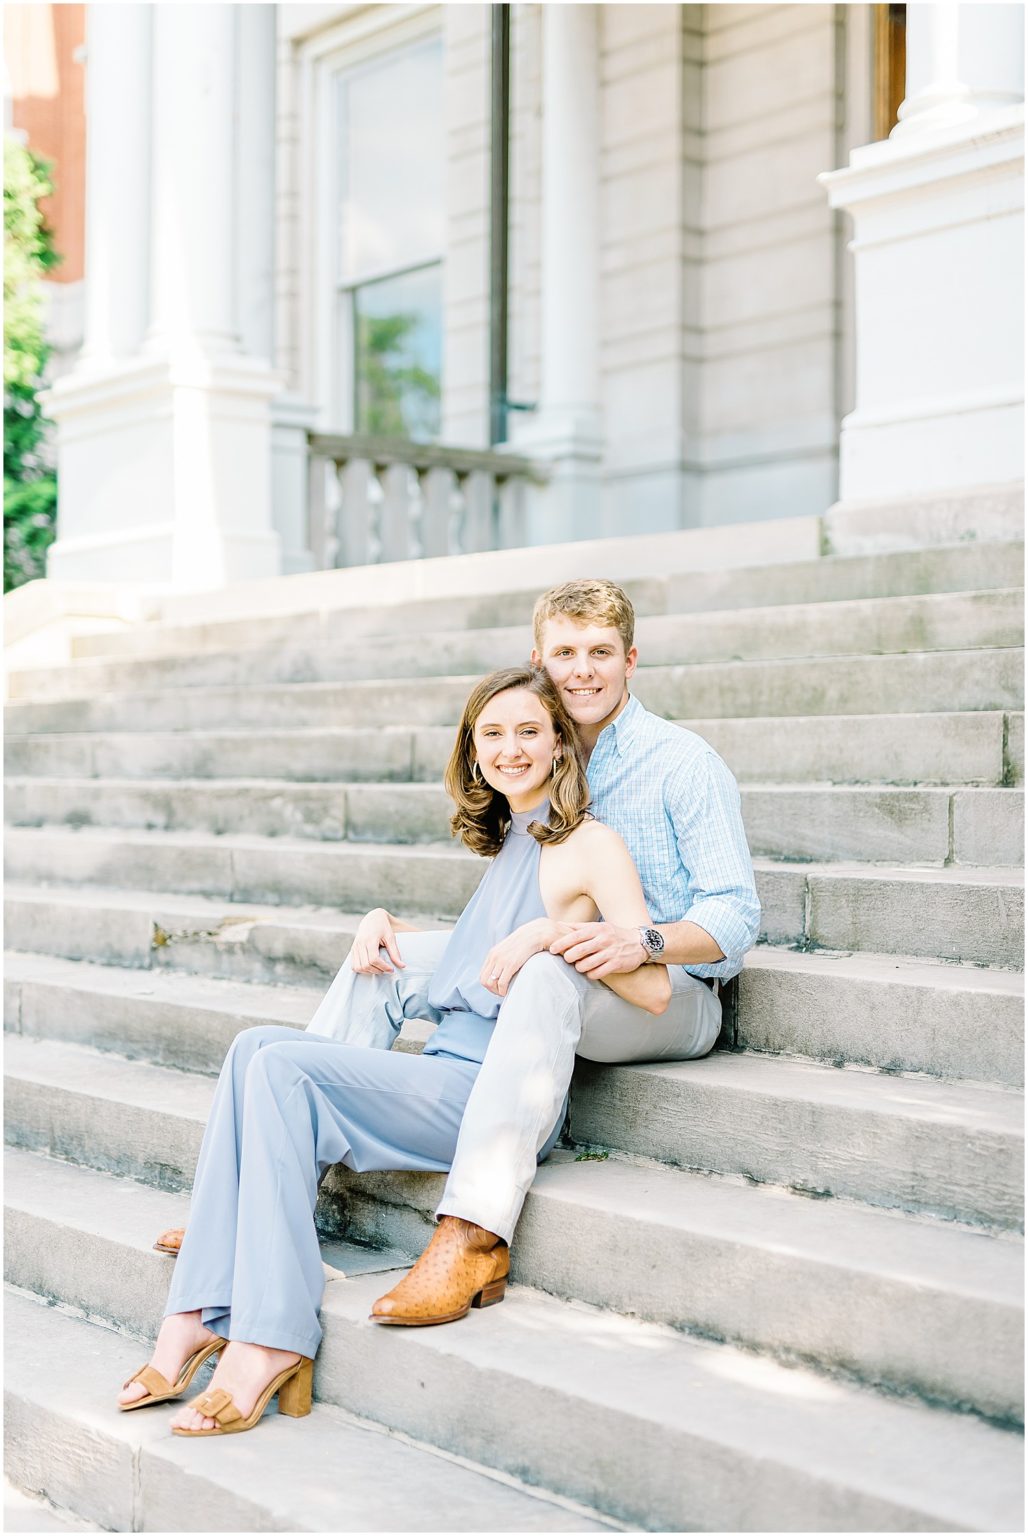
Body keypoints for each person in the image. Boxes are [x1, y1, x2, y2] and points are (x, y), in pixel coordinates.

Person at [118, 662, 672, 1434]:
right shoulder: (514, 838)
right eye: (492, 734)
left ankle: (267, 1335)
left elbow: (653, 989)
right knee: (253, 1049)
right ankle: (196, 1316)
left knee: (279, 1063)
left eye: (528, 733)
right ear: (473, 752)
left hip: (492, 1098)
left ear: (559, 747)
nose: (510, 749)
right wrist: (389, 923)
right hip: (441, 1076)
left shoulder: (592, 845)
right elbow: (471, 965)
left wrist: (555, 936)